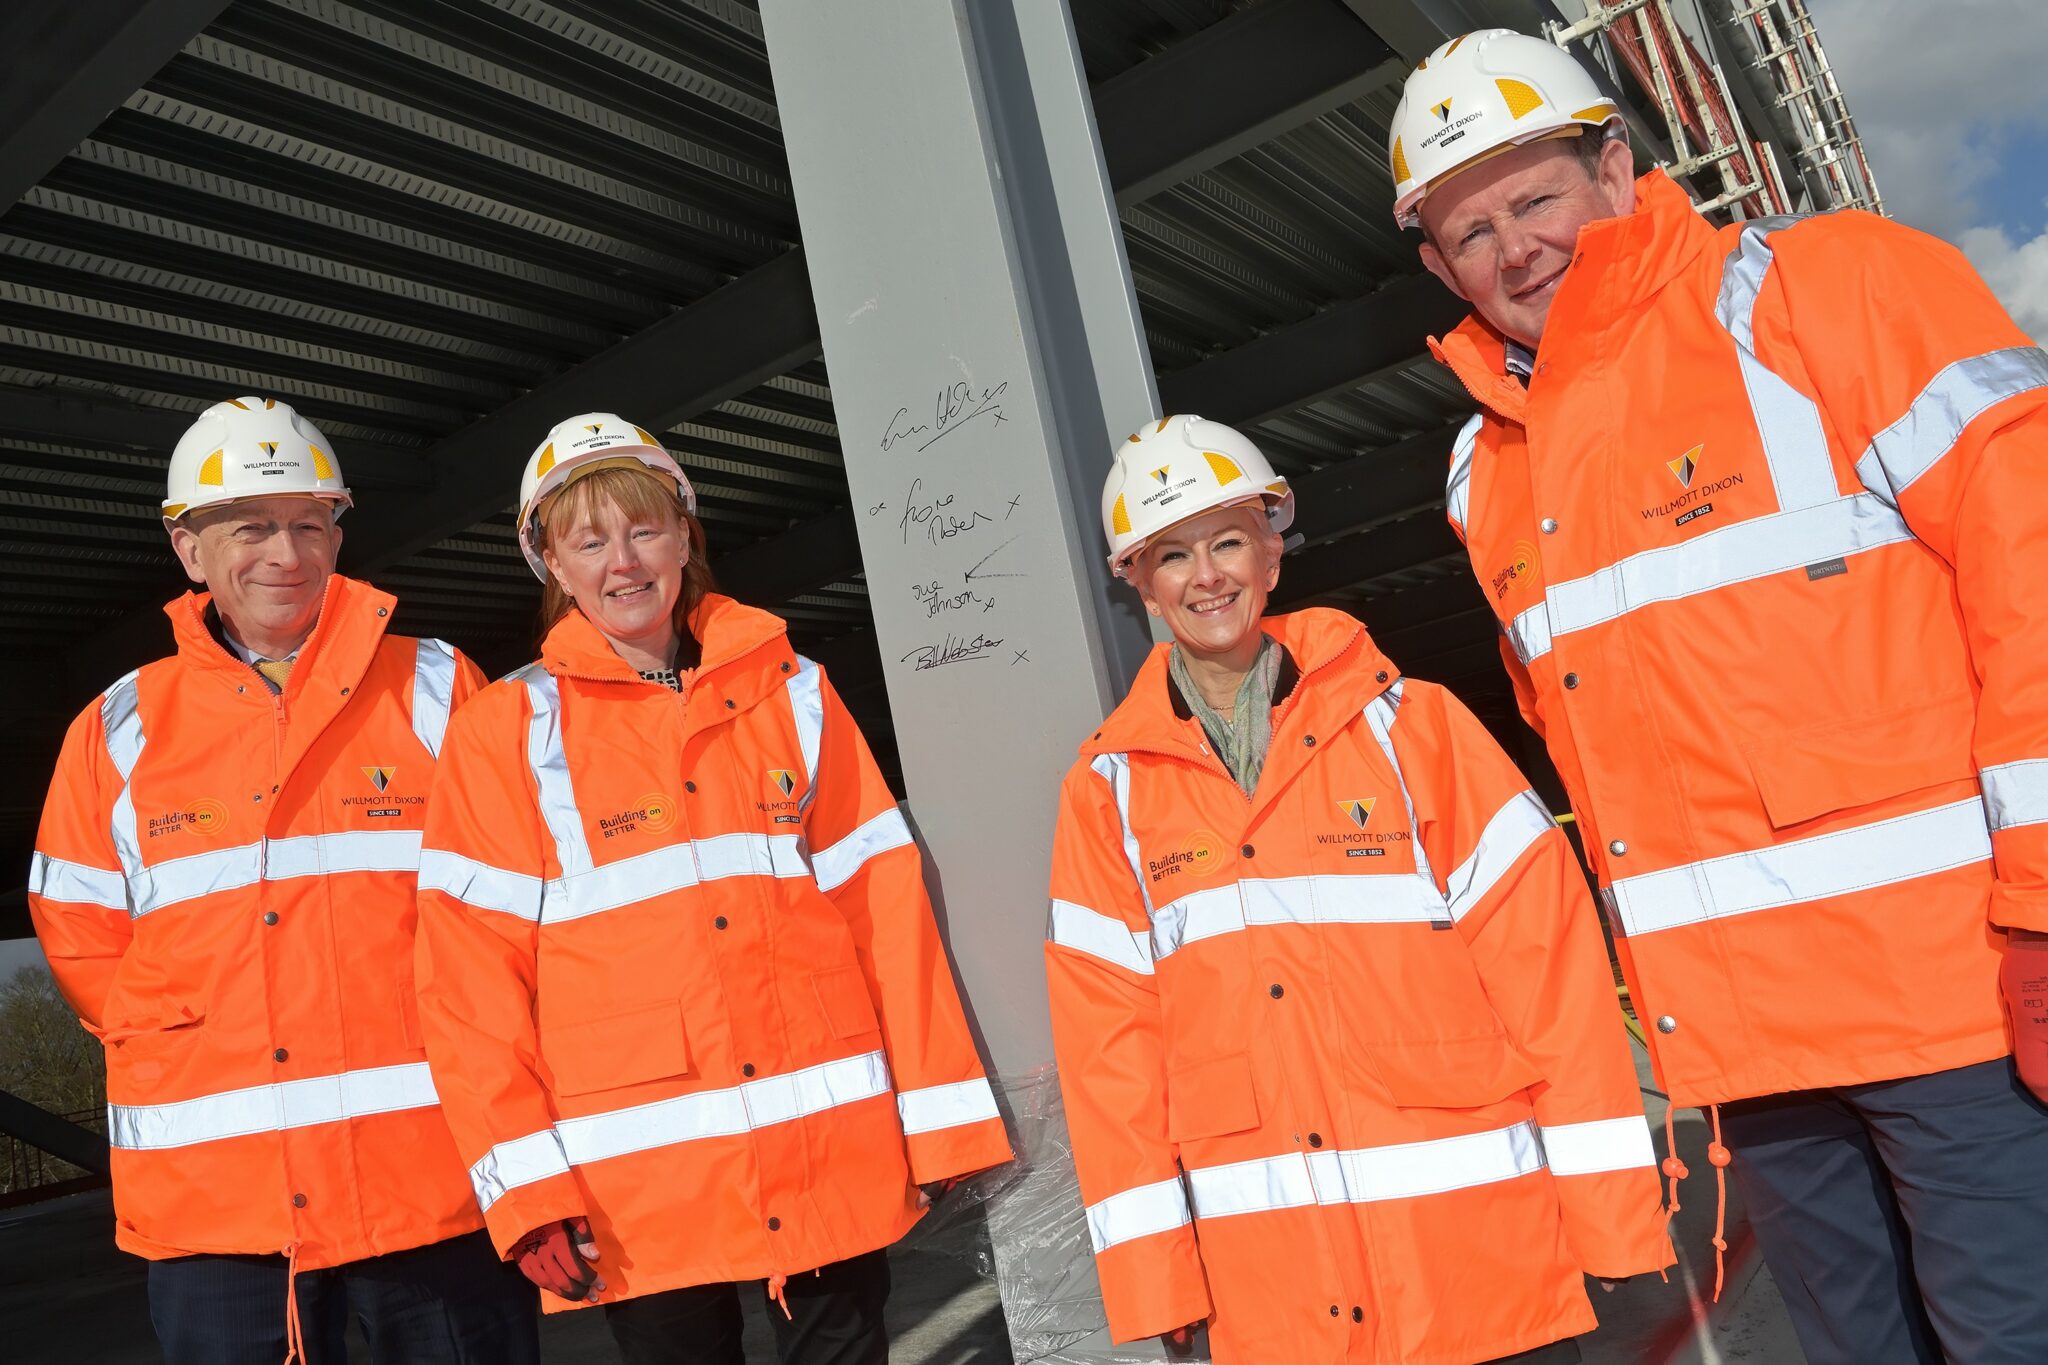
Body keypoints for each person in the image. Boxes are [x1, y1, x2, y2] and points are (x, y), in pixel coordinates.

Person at [1389, 27, 2048, 1364]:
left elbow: (2033, 575)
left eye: (1536, 199)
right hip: (1749, 1057)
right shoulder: (1484, 473)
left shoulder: (1834, 293)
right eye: (1472, 232)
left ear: (1618, 166)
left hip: (1961, 1008)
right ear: (1435, 266)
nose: (1516, 251)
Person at [1043, 414, 1670, 1365]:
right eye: (1172, 554)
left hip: (1473, 1265)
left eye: (1226, 542)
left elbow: (1550, 975)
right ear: (1137, 581)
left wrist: (1612, 1215)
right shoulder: (1108, 792)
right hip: (1275, 1299)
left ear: (1272, 555)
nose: (1206, 576)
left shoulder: (1413, 726)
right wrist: (1153, 1274)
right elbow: (1109, 1056)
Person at [413, 412, 1012, 1365]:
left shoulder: (794, 692)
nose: (624, 561)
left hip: (824, 1154)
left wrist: (939, 1122)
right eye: (589, 539)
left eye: (645, 528)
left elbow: (885, 914)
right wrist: (526, 1192)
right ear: (552, 567)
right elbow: (468, 983)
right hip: (641, 1190)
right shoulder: (503, 732)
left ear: (686, 537)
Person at [26, 396, 527, 1365]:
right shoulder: (118, 730)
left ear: (339, 534)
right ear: (188, 550)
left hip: (432, 1195)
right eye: (250, 527)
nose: (284, 555)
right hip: (220, 1223)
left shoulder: (436, 690)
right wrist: (191, 1035)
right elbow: (82, 936)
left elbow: (509, 914)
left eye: (309, 524)